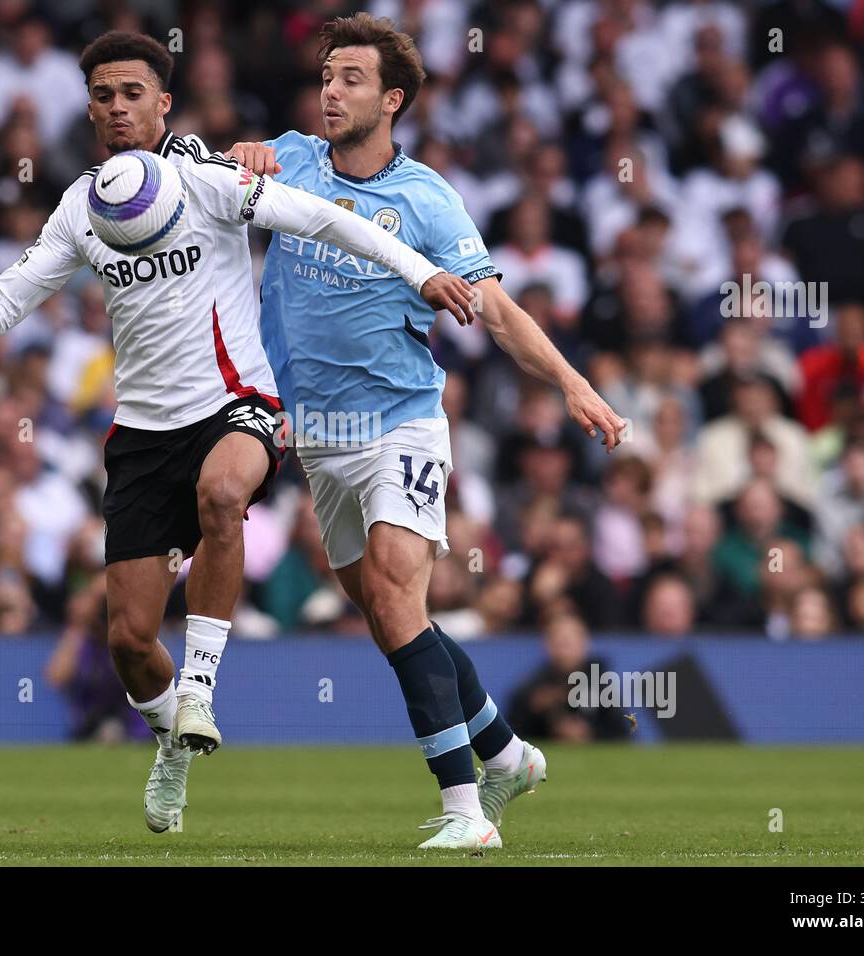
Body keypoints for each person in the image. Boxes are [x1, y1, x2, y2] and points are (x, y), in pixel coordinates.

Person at [0, 30, 474, 835]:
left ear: (163, 103)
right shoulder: (81, 208)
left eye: (131, 95)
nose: (116, 109)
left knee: (225, 495)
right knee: (126, 641)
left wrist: (418, 269)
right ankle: (172, 744)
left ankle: (201, 689)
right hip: (143, 432)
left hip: (239, 407)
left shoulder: (209, 180)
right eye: (103, 97)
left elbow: (324, 219)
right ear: (90, 109)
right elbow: (13, 295)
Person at [226, 13, 623, 851]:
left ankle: (465, 813)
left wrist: (572, 380)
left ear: (392, 97)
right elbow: (204, 187)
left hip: (402, 422)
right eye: (327, 76)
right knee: (384, 612)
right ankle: (505, 752)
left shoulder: (429, 200)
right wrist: (238, 157)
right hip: (317, 438)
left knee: (401, 593)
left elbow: (498, 310)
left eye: (351, 79)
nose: (332, 91)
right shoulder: (290, 159)